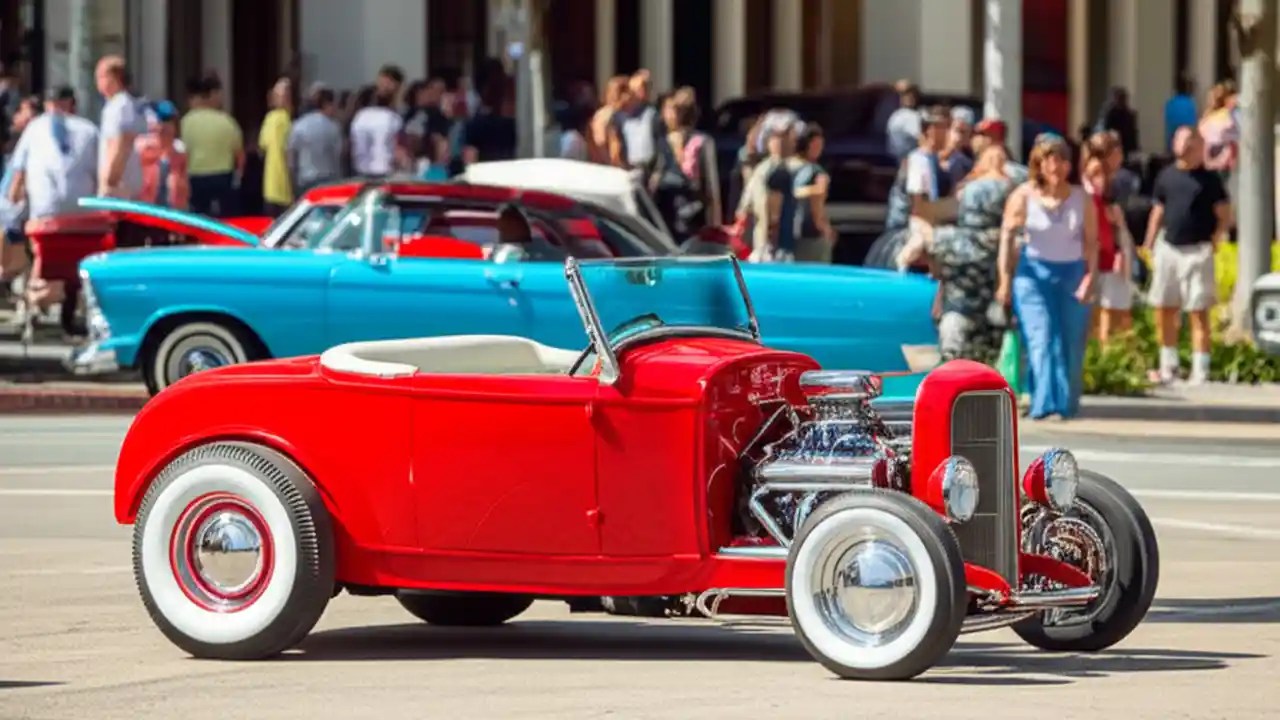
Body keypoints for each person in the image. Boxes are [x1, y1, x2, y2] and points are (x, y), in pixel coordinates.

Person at [998, 133, 1099, 420]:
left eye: (1061, 160)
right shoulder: (1023, 196)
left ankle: (1065, 402)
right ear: (1038, 165)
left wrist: (1090, 278)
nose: (1055, 167)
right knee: (1040, 338)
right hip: (1032, 276)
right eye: (1048, 160)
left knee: (1069, 342)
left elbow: (1092, 242)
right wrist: (1004, 279)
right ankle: (1044, 404)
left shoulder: (1081, 198)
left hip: (1072, 273)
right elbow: (1007, 238)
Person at [7, 86, 100, 336]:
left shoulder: (36, 127)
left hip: (45, 213)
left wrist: (14, 197)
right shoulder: (89, 129)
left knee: (43, 257)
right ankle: (68, 316)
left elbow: (19, 168)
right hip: (81, 212)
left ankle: (33, 307)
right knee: (76, 260)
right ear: (72, 104)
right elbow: (99, 172)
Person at [1144, 126, 1232, 385]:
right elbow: (1158, 211)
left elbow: (1224, 214)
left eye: (1188, 142)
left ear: (1198, 145)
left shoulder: (1210, 180)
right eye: (1179, 141)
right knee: (1164, 308)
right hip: (1169, 249)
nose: (1183, 146)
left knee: (1198, 310)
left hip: (1198, 251)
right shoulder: (1166, 176)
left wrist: (1215, 239)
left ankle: (1200, 369)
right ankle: (1168, 365)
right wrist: (1149, 242)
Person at [929, 144, 1018, 364]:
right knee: (987, 369)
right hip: (992, 316)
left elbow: (941, 273)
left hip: (957, 312)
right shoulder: (1007, 242)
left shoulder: (947, 239)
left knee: (952, 365)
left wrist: (939, 301)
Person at [648, 87, 720, 245]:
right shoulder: (699, 141)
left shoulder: (670, 142)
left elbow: (655, 178)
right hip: (682, 212)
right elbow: (711, 186)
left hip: (676, 213)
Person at [1080, 133, 1134, 342]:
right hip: (1097, 254)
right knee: (1103, 313)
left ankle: (1107, 352)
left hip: (1108, 252)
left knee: (1110, 311)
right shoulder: (1089, 188)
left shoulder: (1112, 185)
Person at [736, 110, 803, 262]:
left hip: (780, 249)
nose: (782, 142)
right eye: (776, 136)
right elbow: (748, 210)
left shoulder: (796, 168)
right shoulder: (767, 171)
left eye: (787, 136)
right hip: (768, 250)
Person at [181, 71, 244, 217]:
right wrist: (238, 178)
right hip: (223, 177)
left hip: (195, 177)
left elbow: (183, 153)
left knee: (198, 220)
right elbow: (240, 155)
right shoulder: (228, 121)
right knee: (226, 221)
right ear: (212, 95)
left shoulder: (186, 122)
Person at [1, 94, 40, 294]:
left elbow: (17, 184)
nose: (17, 116)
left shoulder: (32, 139)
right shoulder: (17, 140)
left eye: (23, 111)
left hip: (15, 213)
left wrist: (15, 194)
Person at [95, 55, 145, 201]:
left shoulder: (121, 105)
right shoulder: (114, 105)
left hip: (119, 188)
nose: (97, 82)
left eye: (101, 76)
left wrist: (109, 182)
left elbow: (121, 144)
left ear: (115, 78)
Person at [135, 100, 190, 212]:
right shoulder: (140, 150)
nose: (160, 127)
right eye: (157, 123)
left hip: (173, 214)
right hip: (144, 212)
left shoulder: (179, 152)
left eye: (167, 122)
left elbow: (183, 192)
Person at [287, 85, 343, 193]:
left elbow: (291, 156)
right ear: (327, 105)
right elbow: (339, 155)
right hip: (329, 179)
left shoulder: (298, 125)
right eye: (334, 105)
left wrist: (292, 180)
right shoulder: (333, 126)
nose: (335, 110)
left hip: (305, 179)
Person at [792, 123, 835, 263]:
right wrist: (824, 228)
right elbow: (818, 205)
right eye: (816, 146)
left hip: (790, 233)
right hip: (811, 235)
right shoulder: (816, 172)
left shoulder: (789, 167)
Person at [258, 77, 294, 216]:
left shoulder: (269, 118)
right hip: (285, 184)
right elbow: (288, 152)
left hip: (270, 185)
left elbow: (262, 146)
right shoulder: (284, 119)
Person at [589, 75, 630, 166]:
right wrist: (610, 164)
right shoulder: (604, 115)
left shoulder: (626, 114)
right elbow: (600, 142)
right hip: (608, 166)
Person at [1095, 86, 1139, 158]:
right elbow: (1105, 131)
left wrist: (1134, 149)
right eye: (1120, 98)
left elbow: (1132, 133)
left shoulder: (1129, 114)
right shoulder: (1109, 114)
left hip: (1125, 147)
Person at [886, 80, 922, 161]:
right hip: (909, 159)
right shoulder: (908, 116)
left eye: (912, 94)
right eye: (905, 95)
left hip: (896, 158)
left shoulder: (895, 115)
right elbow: (923, 139)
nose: (909, 97)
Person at [1165, 75, 1198, 152]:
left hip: (1172, 141)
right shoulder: (1190, 103)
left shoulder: (1170, 103)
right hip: (1186, 143)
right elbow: (1192, 125)